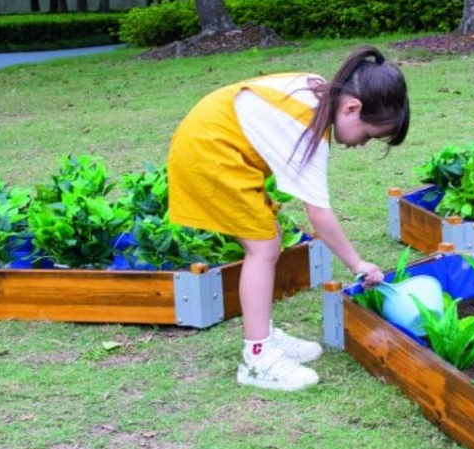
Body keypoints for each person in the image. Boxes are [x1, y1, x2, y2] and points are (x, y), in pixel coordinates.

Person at [167, 45, 410, 391]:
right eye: (369, 135)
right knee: (263, 247)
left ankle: (263, 334)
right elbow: (319, 216)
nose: (362, 144)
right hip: (208, 151)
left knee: (269, 239)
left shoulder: (319, 90)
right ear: (352, 107)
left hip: (218, 145)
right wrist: (358, 263)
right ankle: (257, 358)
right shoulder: (307, 127)